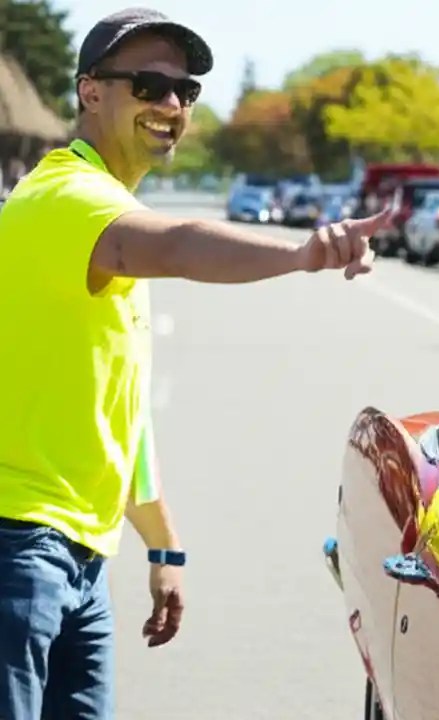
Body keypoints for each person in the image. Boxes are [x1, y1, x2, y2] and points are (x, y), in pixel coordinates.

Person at [0, 8, 392, 718]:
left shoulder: (105, 211)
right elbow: (181, 244)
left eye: (187, 91)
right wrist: (306, 252)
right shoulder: (65, 197)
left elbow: (114, 416)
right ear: (91, 92)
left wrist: (163, 546)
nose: (171, 105)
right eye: (149, 85)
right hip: (17, 545)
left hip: (76, 555)